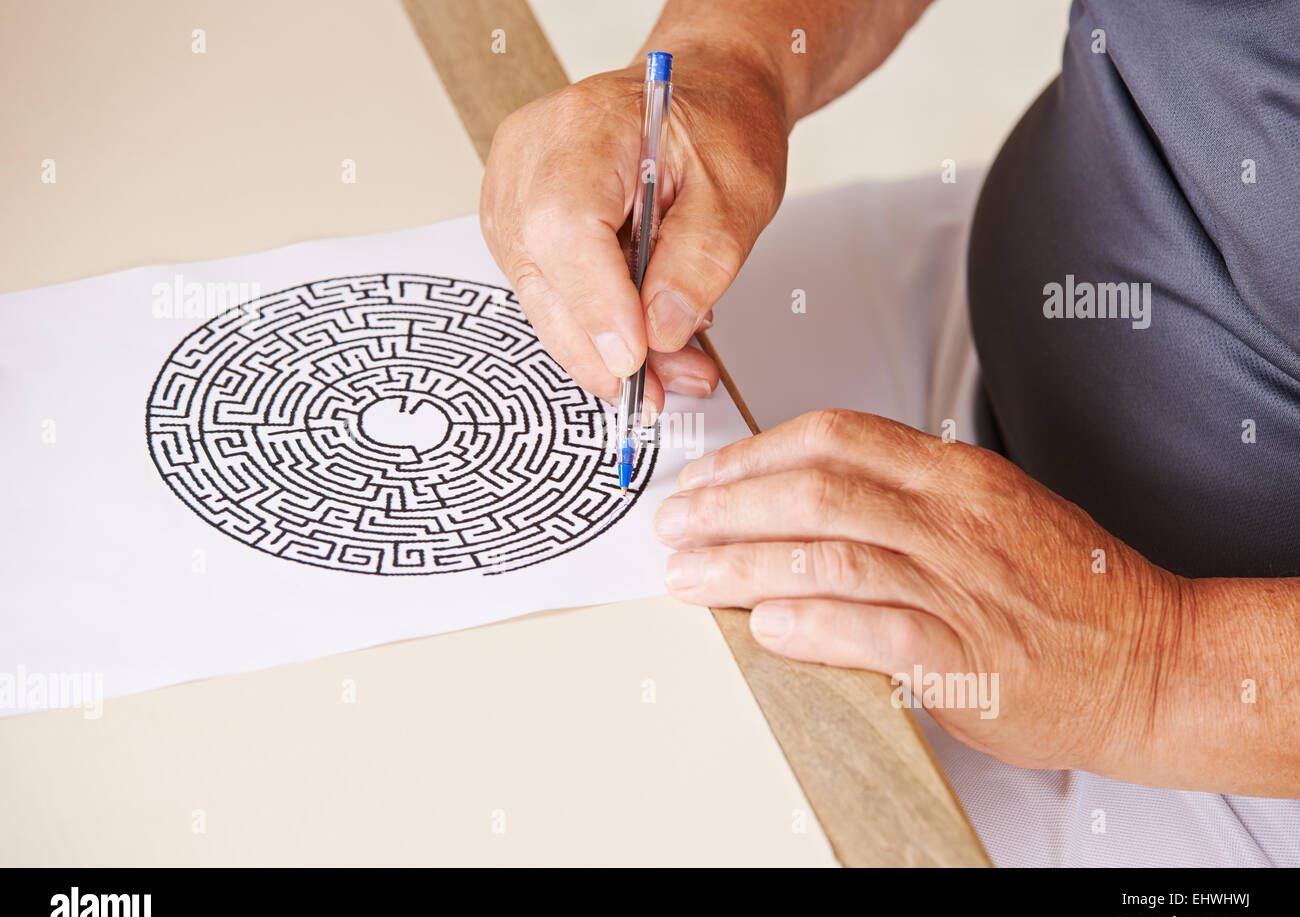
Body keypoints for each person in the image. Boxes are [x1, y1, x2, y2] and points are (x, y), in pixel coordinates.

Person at [480, 0, 1300, 864]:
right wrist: (736, 53)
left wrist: (1154, 660)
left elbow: (1159, 665)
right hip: (1008, 323)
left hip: (1219, 713)